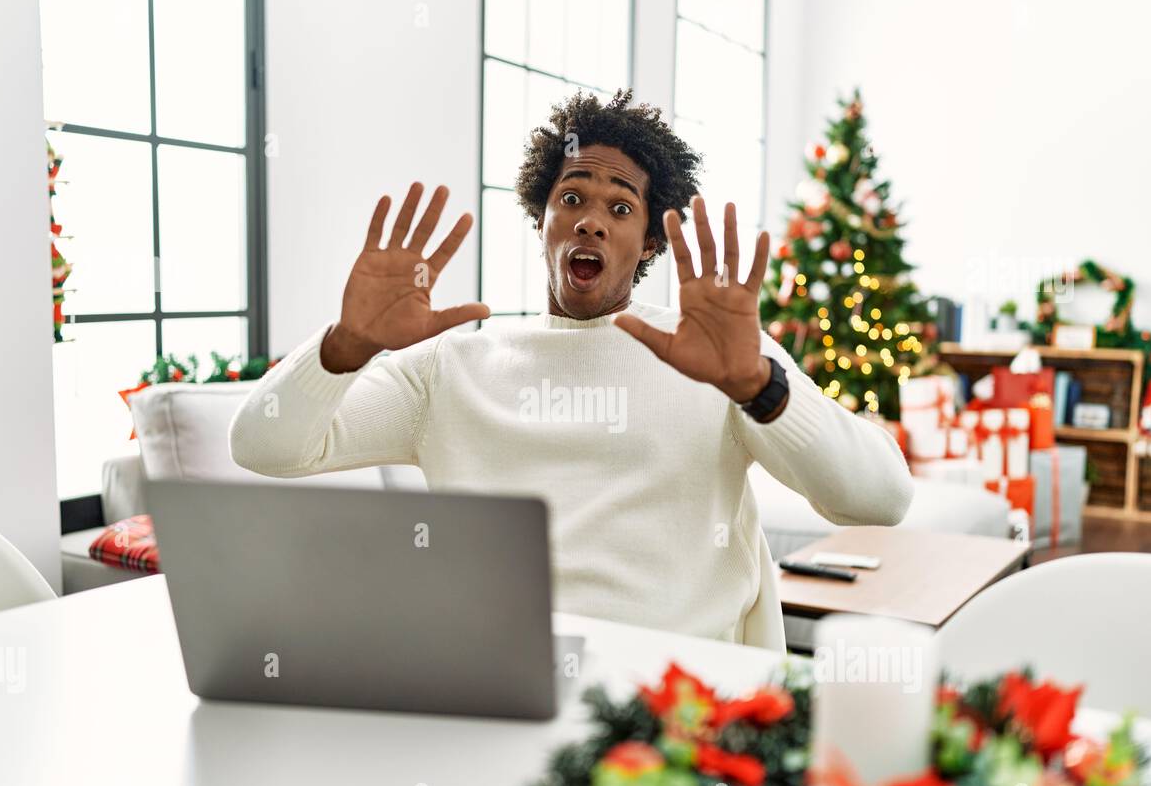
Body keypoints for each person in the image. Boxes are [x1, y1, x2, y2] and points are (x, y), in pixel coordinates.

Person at [230, 90, 912, 650]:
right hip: (499, 684)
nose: (591, 222)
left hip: (680, 700)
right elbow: (262, 446)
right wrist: (345, 346)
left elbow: (881, 499)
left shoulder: (718, 356)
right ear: (542, 218)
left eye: (620, 207)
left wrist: (760, 386)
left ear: (650, 241)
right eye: (572, 198)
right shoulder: (450, 366)